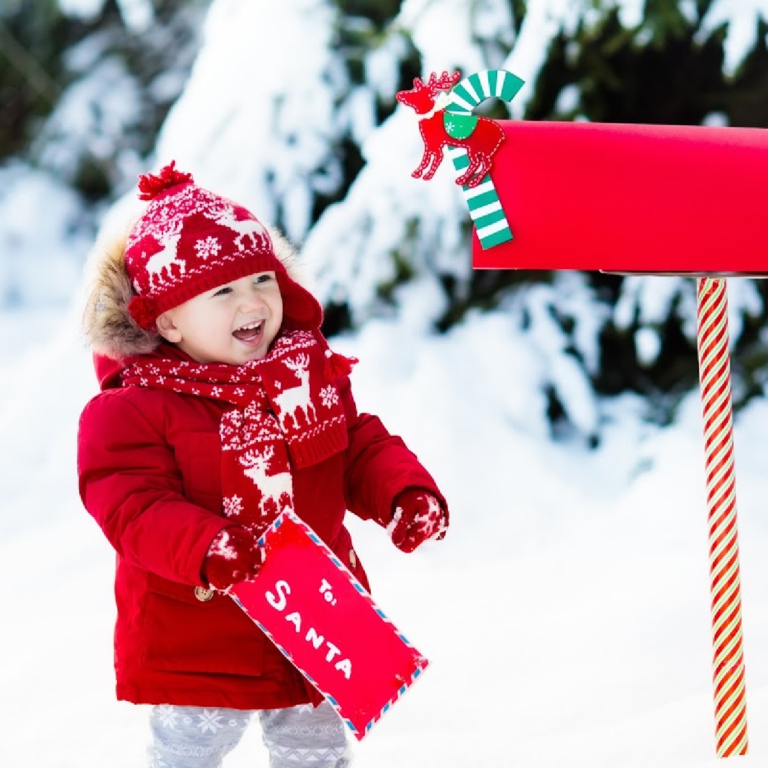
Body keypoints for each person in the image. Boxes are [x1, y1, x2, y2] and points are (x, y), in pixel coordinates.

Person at [76, 162, 449, 768]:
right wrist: (206, 545)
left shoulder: (304, 375)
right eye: (222, 291)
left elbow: (355, 445)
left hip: (314, 614)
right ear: (167, 320)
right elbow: (132, 506)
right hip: (197, 630)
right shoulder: (132, 409)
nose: (252, 301)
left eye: (261, 279)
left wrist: (402, 493)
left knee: (314, 747)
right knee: (191, 750)